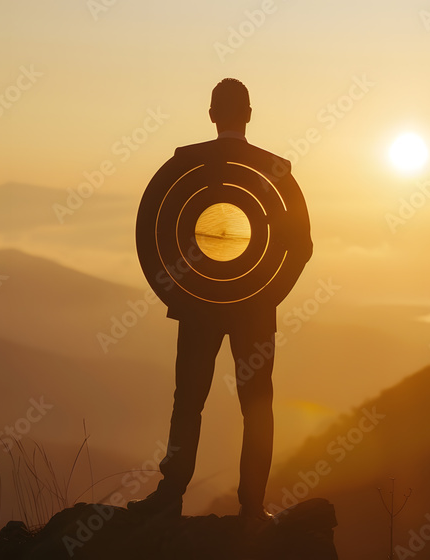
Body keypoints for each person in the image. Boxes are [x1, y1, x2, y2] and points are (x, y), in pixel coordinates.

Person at [128, 78, 312, 527]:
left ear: (212, 114)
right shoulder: (277, 170)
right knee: (257, 405)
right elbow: (301, 246)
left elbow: (152, 234)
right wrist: (269, 297)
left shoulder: (185, 164)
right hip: (254, 310)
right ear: (249, 115)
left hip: (199, 306)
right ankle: (252, 508)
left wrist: (175, 295)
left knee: (188, 400)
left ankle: (169, 496)